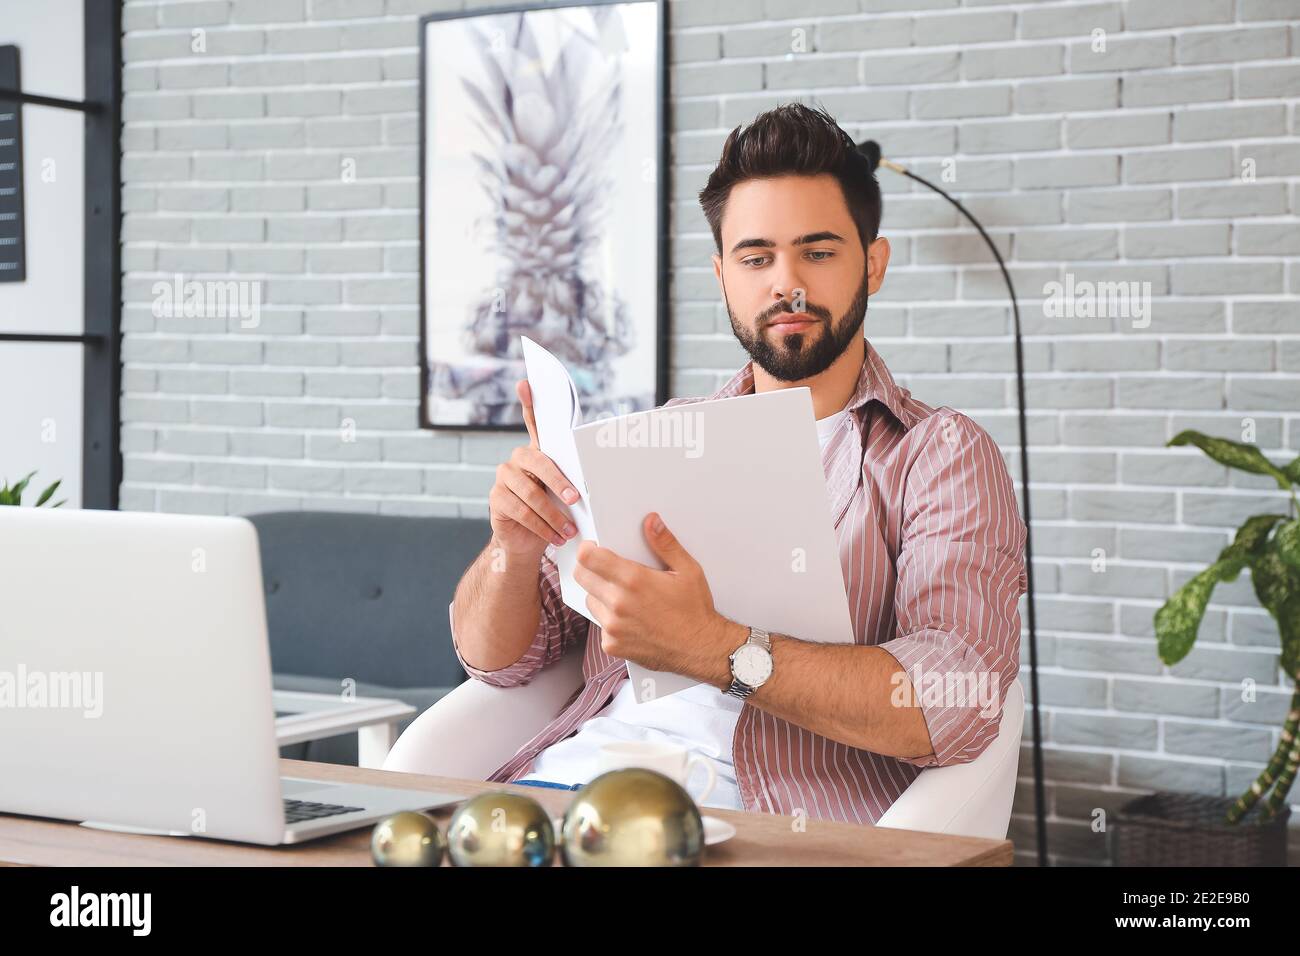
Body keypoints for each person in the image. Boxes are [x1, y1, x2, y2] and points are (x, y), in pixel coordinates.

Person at [448, 103, 1028, 825]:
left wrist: (718, 649)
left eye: (818, 252)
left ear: (872, 264)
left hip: (751, 821)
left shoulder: (938, 455)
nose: (787, 285)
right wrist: (512, 547)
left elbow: (959, 699)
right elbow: (499, 664)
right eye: (757, 258)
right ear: (723, 275)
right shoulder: (650, 438)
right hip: (564, 793)